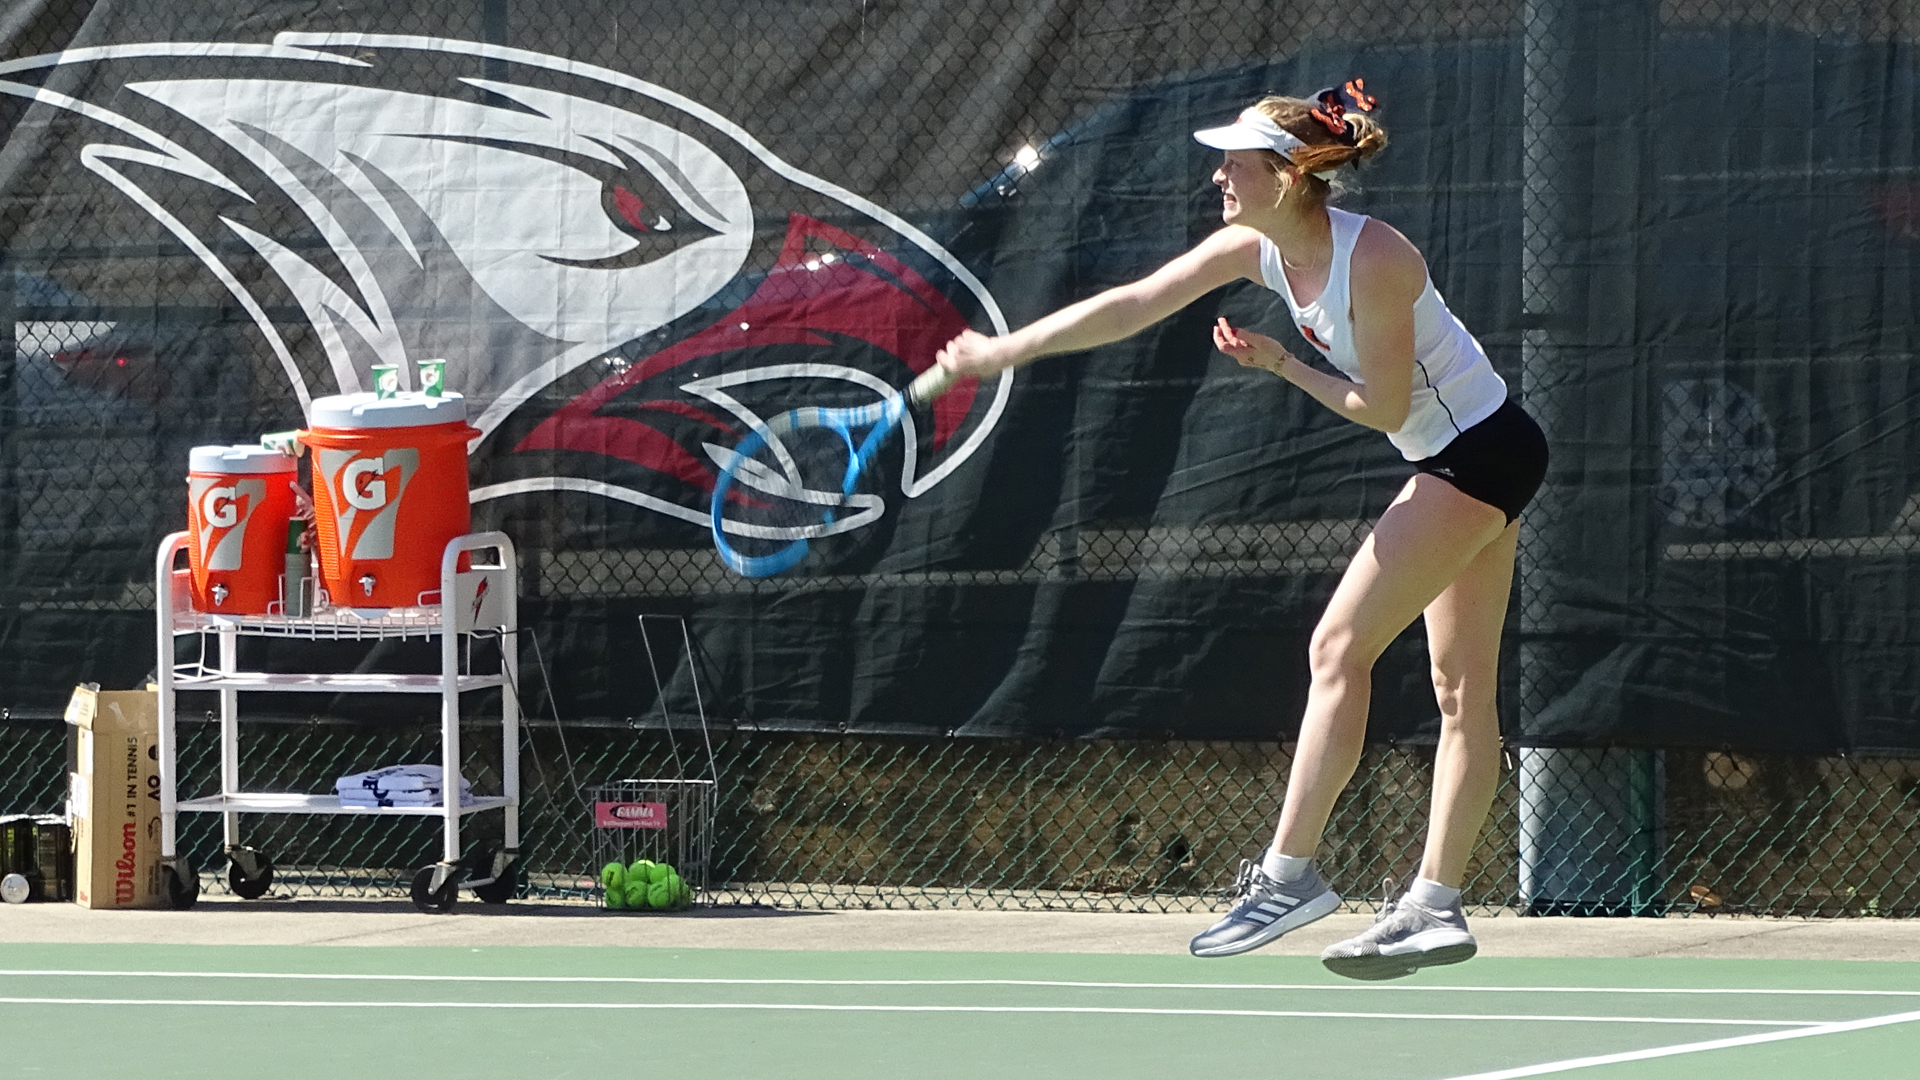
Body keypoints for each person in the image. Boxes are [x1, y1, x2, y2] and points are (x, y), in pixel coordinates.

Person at [934, 82, 1549, 980]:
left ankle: (1288, 876)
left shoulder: (1373, 258)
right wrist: (1001, 353)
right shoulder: (1257, 248)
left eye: (1237, 162)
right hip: (1468, 453)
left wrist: (1281, 363)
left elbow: (1380, 406)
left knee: (1338, 646)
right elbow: (1134, 302)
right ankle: (1435, 907)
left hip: (1478, 454)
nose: (1219, 174)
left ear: (1291, 176)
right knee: (1461, 693)